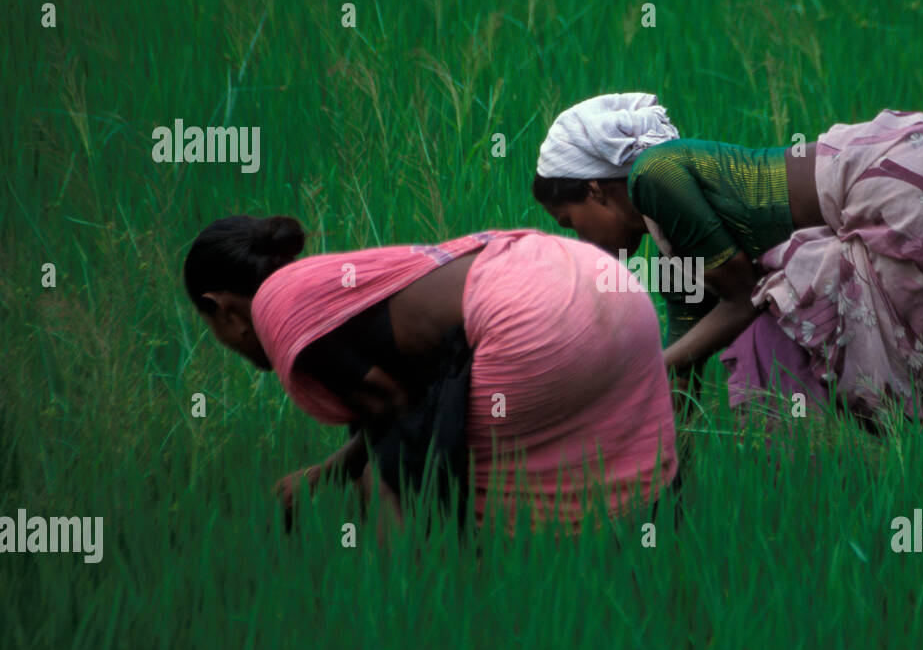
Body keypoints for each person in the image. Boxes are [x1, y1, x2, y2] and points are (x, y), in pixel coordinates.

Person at [532, 92, 923, 426]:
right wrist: (668, 485)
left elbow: (741, 300)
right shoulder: (670, 230)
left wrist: (644, 368)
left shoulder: (654, 174)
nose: (582, 243)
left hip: (909, 188)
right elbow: (686, 355)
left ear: (598, 192)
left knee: (914, 380)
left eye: (570, 223)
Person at [182, 216, 678, 536]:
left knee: (399, 483)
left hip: (532, 316)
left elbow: (393, 408)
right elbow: (396, 400)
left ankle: (412, 615)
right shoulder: (323, 280)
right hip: (602, 284)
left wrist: (330, 477)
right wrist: (328, 472)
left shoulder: (278, 309)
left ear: (220, 309)